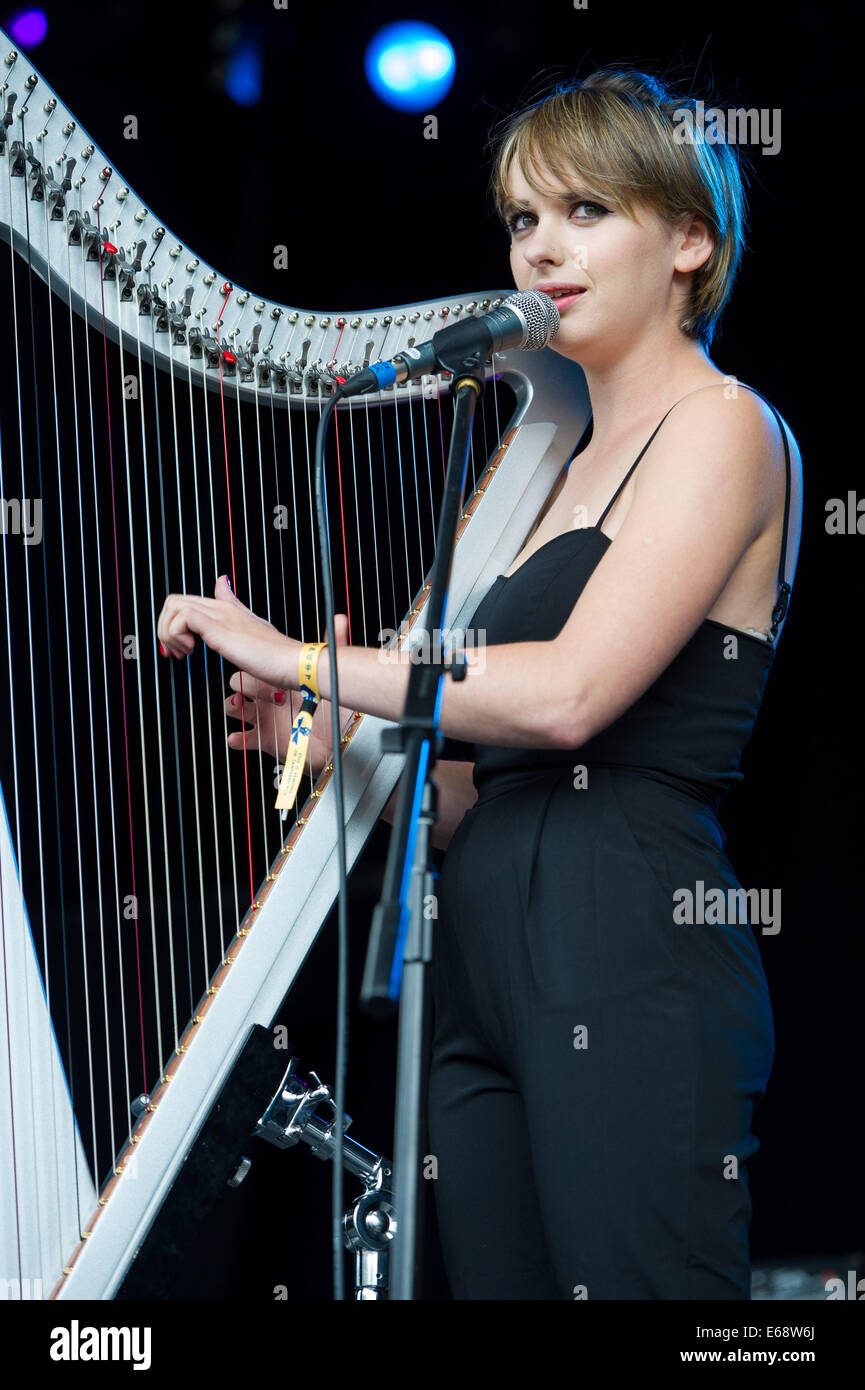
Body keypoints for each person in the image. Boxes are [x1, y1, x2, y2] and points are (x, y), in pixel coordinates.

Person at [157, 65, 802, 1300]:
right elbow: (464, 793)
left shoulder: (722, 427)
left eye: (584, 212)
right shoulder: (541, 463)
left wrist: (298, 650)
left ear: (690, 240)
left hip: (626, 937)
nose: (542, 252)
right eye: (520, 221)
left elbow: (567, 696)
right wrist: (322, 723)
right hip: (480, 957)